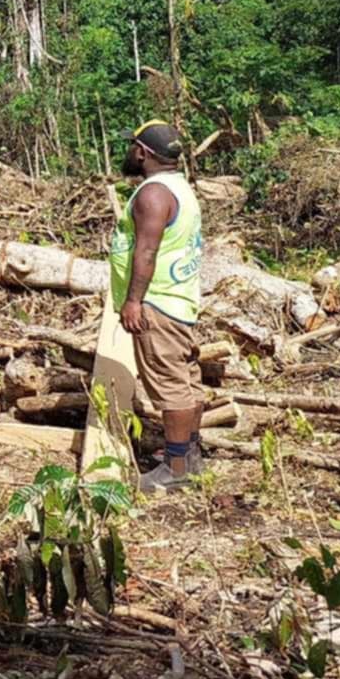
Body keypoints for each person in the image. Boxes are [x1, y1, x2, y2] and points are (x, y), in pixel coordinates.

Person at [111, 120, 205, 493]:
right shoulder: (179, 187)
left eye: (132, 147)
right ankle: (190, 455)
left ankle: (176, 467)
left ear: (143, 153)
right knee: (185, 380)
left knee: (170, 387)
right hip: (178, 299)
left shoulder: (152, 195)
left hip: (158, 303)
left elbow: (146, 251)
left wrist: (133, 300)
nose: (129, 153)